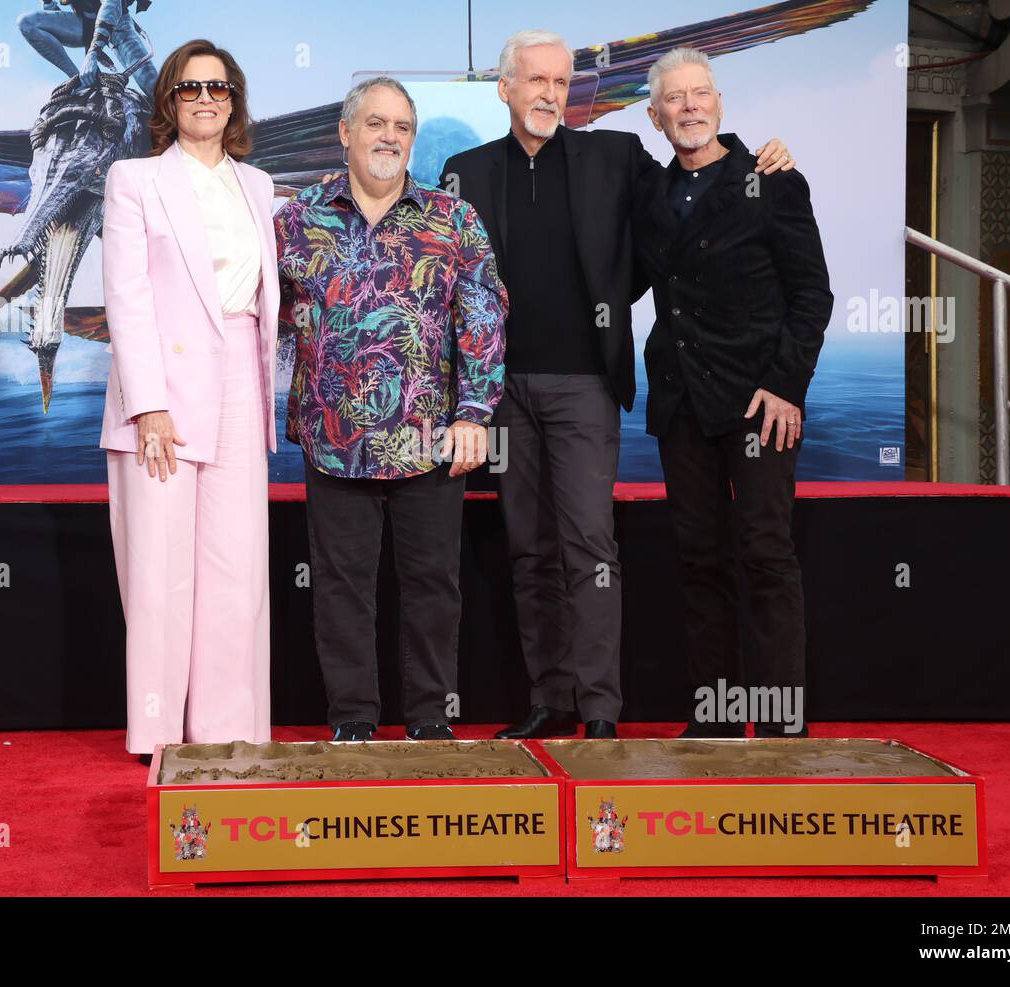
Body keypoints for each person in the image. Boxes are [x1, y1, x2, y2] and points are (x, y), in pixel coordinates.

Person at [440, 30, 793, 740]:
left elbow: (698, 181)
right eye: (535, 80)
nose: (548, 93)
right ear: (504, 88)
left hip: (584, 386)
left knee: (588, 547)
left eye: (560, 82)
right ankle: (552, 697)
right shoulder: (463, 171)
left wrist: (764, 159)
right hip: (499, 391)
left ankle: (600, 708)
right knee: (527, 548)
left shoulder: (617, 156)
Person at [275, 77, 508, 742]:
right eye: (375, 123)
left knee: (433, 588)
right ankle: (352, 719)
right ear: (345, 133)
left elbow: (485, 314)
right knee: (342, 592)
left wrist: (474, 412)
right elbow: (254, 316)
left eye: (402, 127)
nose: (389, 137)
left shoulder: (451, 219)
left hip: (429, 440)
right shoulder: (296, 220)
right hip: (333, 440)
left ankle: (430, 717)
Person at [634, 47, 833, 737]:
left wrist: (786, 386)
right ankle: (715, 721)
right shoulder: (650, 198)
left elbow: (813, 293)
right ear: (655, 116)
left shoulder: (771, 180)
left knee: (766, 554)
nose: (690, 107)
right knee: (699, 560)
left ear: (718, 103)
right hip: (682, 401)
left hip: (758, 404)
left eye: (701, 94)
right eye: (675, 99)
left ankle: (780, 730)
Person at [100, 39, 280, 763]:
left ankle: (229, 724)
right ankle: (157, 730)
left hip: (241, 379)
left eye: (219, 87)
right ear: (168, 100)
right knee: (161, 568)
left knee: (237, 566)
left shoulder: (260, 185)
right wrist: (148, 404)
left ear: (234, 99)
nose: (205, 98)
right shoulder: (134, 179)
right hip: (162, 393)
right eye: (190, 87)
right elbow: (128, 297)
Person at [18, 0, 159, 97]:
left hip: (118, 23)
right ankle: (79, 81)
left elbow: (112, 4)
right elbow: (51, 10)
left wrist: (93, 53)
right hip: (85, 23)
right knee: (27, 23)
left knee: (154, 89)